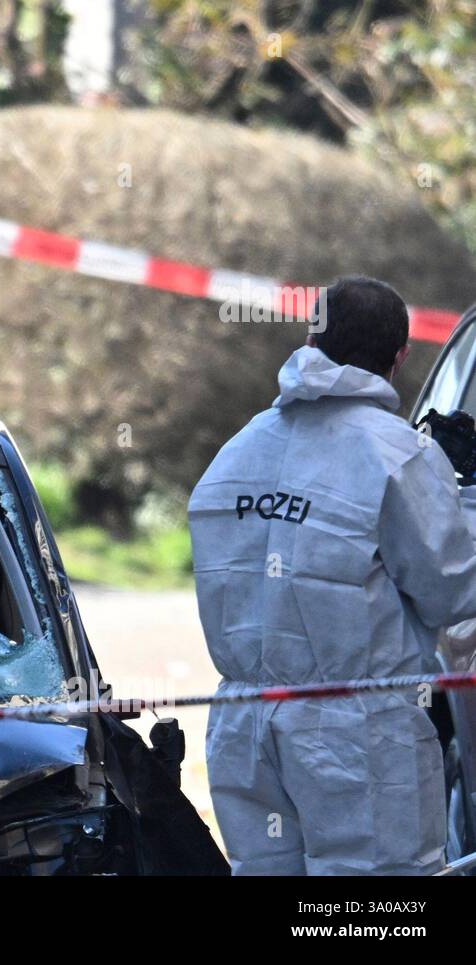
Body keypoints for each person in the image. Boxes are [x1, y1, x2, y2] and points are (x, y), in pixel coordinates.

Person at [188, 276, 476, 875]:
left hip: (244, 725)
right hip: (356, 734)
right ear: (400, 356)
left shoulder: (238, 450)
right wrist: (455, 494)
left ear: (311, 338)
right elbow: (451, 592)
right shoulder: (401, 456)